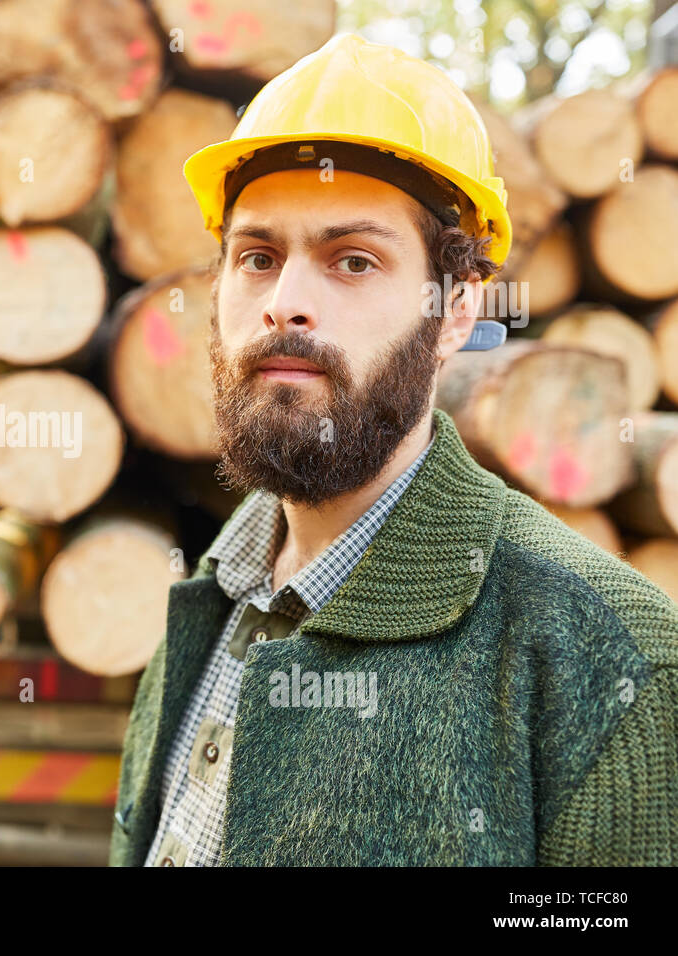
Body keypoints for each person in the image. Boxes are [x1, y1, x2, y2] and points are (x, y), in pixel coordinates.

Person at [109, 33, 678, 867]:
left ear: (454, 312)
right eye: (257, 257)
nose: (285, 305)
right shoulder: (209, 596)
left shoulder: (610, 664)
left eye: (353, 260)